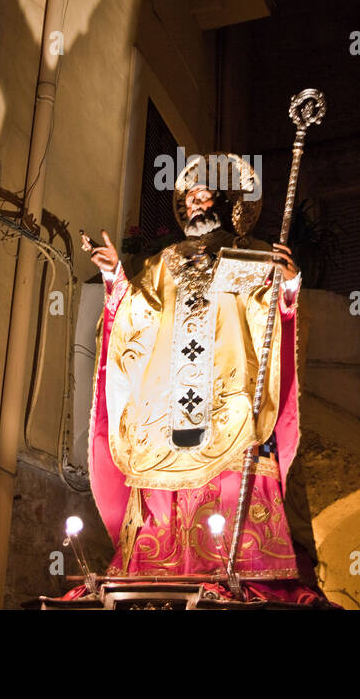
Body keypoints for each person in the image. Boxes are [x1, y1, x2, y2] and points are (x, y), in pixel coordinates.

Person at [80, 153, 325, 604]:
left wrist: (287, 286)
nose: (195, 201)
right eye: (189, 196)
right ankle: (152, 579)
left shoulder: (247, 256)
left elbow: (268, 318)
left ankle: (242, 576)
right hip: (166, 409)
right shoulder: (161, 263)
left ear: (224, 202)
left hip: (228, 404)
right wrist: (114, 273)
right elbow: (137, 315)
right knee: (158, 482)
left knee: (235, 478)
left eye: (204, 194)